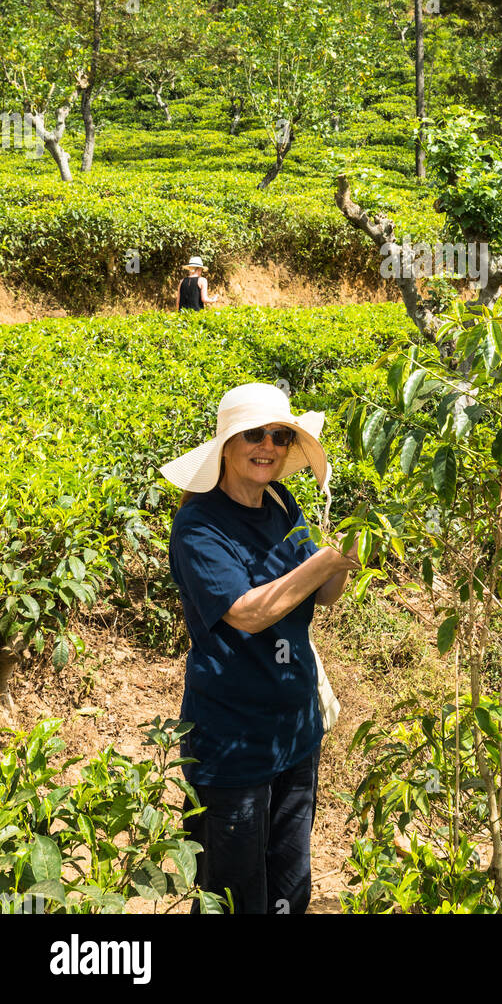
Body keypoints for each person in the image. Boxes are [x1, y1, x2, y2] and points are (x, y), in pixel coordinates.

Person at [159, 382, 360, 915]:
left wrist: (348, 556)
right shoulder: (198, 525)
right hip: (232, 737)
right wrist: (324, 559)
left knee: (289, 884)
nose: (267, 445)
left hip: (295, 728)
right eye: (254, 434)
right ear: (226, 444)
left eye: (278, 435)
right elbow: (248, 612)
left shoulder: (279, 501)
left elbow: (326, 594)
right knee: (232, 890)